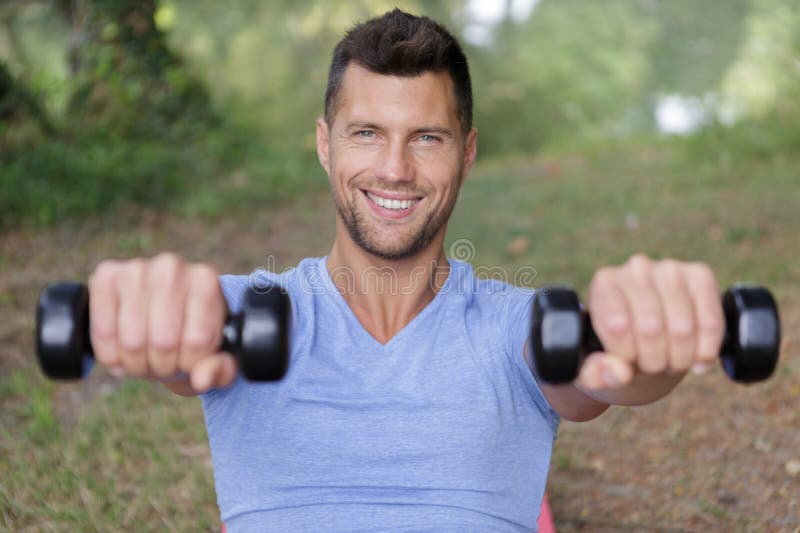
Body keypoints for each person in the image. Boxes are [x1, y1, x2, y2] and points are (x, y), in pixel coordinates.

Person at [86, 9, 724, 532]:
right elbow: (186, 336)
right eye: (365, 132)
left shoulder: (516, 326)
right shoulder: (252, 315)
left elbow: (594, 372)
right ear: (323, 143)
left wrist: (647, 349)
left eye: (426, 137)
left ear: (467, 153)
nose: (395, 168)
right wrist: (146, 315)